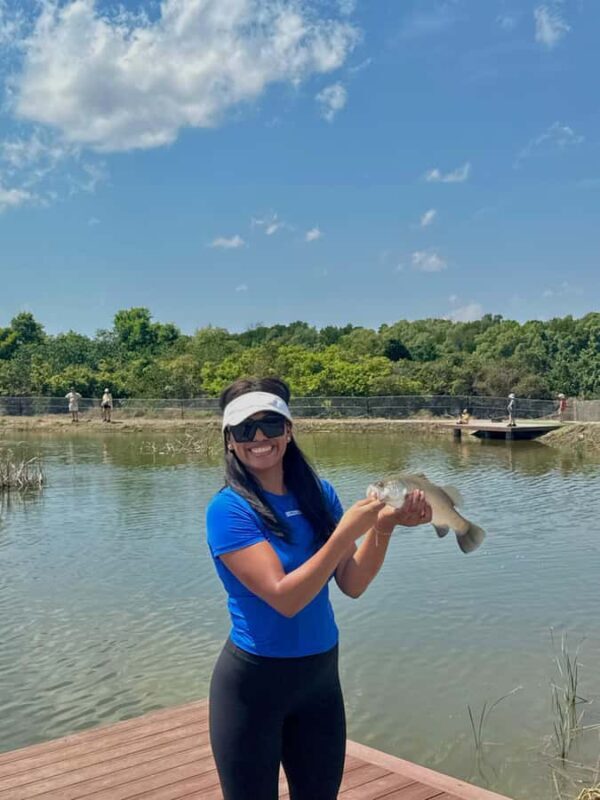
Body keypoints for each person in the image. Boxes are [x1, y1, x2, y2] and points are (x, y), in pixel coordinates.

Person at [205, 377, 432, 800]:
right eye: (244, 430)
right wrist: (345, 533)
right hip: (254, 686)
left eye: (271, 425)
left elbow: (353, 582)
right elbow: (285, 597)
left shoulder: (318, 495)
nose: (259, 438)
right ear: (229, 441)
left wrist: (383, 525)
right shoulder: (227, 510)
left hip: (319, 680)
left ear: (289, 431)